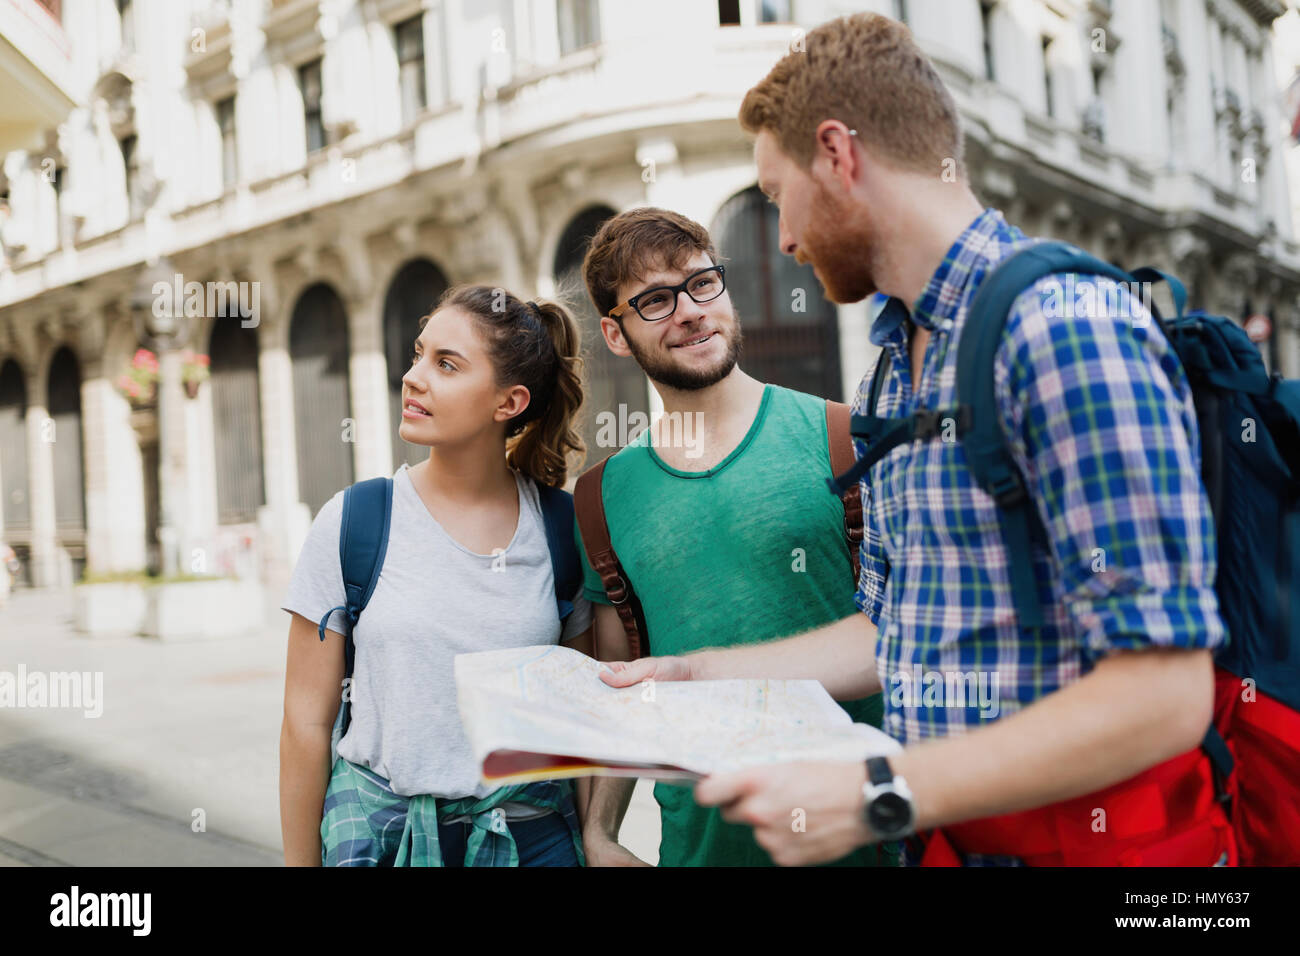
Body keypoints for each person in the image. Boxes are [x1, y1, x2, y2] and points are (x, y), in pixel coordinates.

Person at [601, 12, 1231, 867]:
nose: (781, 239)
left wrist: (883, 792)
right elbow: (892, 633)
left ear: (837, 155)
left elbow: (1162, 693)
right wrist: (701, 672)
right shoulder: (892, 373)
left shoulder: (1064, 330)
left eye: (780, 196)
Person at [575, 207, 895, 868]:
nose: (690, 311)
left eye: (702, 284)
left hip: (869, 846)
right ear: (614, 332)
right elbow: (619, 685)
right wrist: (600, 834)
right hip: (701, 852)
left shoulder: (845, 438)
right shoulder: (599, 501)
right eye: (656, 301)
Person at [279, 285, 594, 866]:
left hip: (533, 843)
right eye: (419, 353)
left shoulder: (562, 529)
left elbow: (579, 722)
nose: (413, 376)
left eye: (446, 364)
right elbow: (305, 721)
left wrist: (596, 841)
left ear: (509, 402)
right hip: (379, 843)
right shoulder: (354, 521)